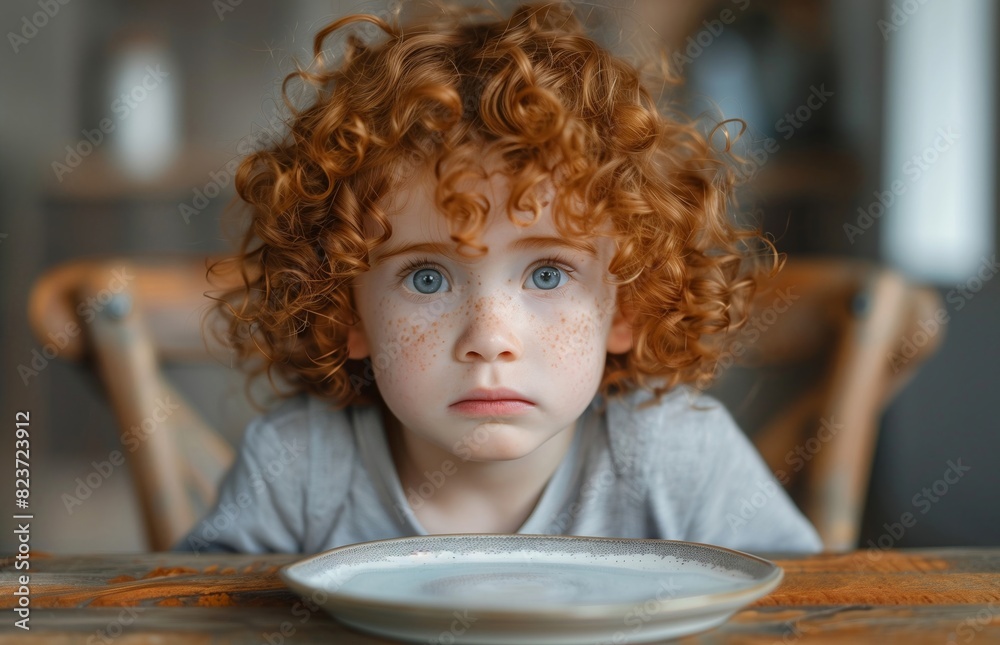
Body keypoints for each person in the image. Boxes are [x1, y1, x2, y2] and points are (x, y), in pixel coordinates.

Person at [178, 1, 821, 554]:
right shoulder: (299, 466)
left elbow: (806, 613)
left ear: (626, 305)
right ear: (345, 312)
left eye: (547, 274)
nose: (490, 338)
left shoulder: (679, 457)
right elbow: (197, 620)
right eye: (427, 279)